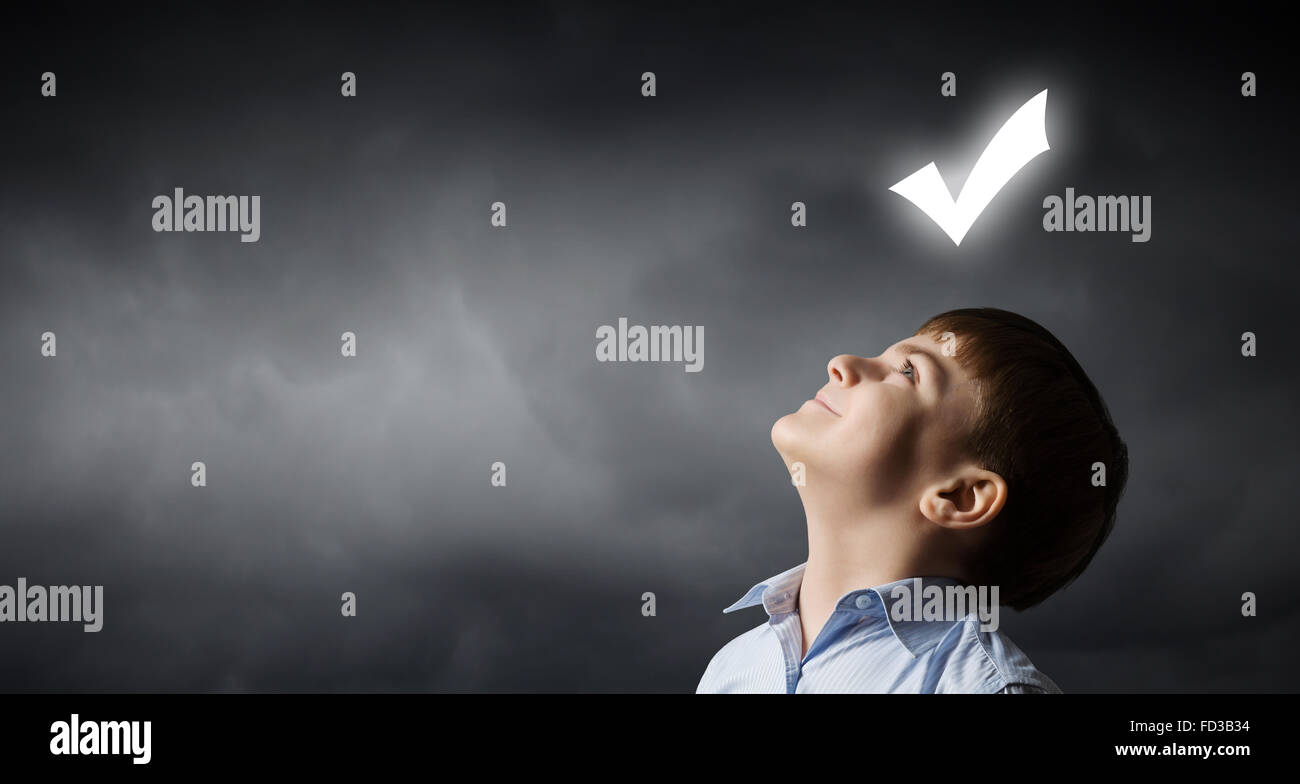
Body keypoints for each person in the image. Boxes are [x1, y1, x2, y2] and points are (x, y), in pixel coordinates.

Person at [696, 307, 1128, 693]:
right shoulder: (732, 668)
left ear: (960, 496)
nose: (841, 364)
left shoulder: (981, 688)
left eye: (907, 372)